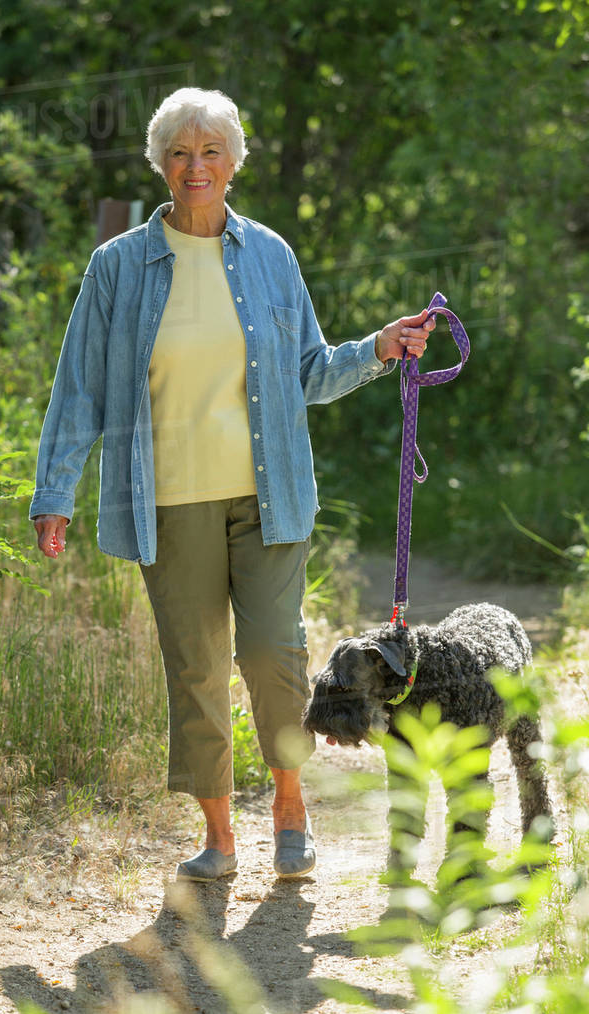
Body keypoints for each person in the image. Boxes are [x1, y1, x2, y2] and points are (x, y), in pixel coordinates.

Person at [31, 87, 435, 882]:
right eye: (180, 153)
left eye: (211, 151)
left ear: (234, 162)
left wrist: (382, 348)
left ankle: (290, 803)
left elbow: (312, 374)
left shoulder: (271, 257)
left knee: (272, 655)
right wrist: (55, 489)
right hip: (167, 501)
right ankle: (218, 836)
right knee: (195, 665)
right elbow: (78, 386)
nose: (195, 167)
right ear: (160, 164)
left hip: (270, 493)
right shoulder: (116, 268)